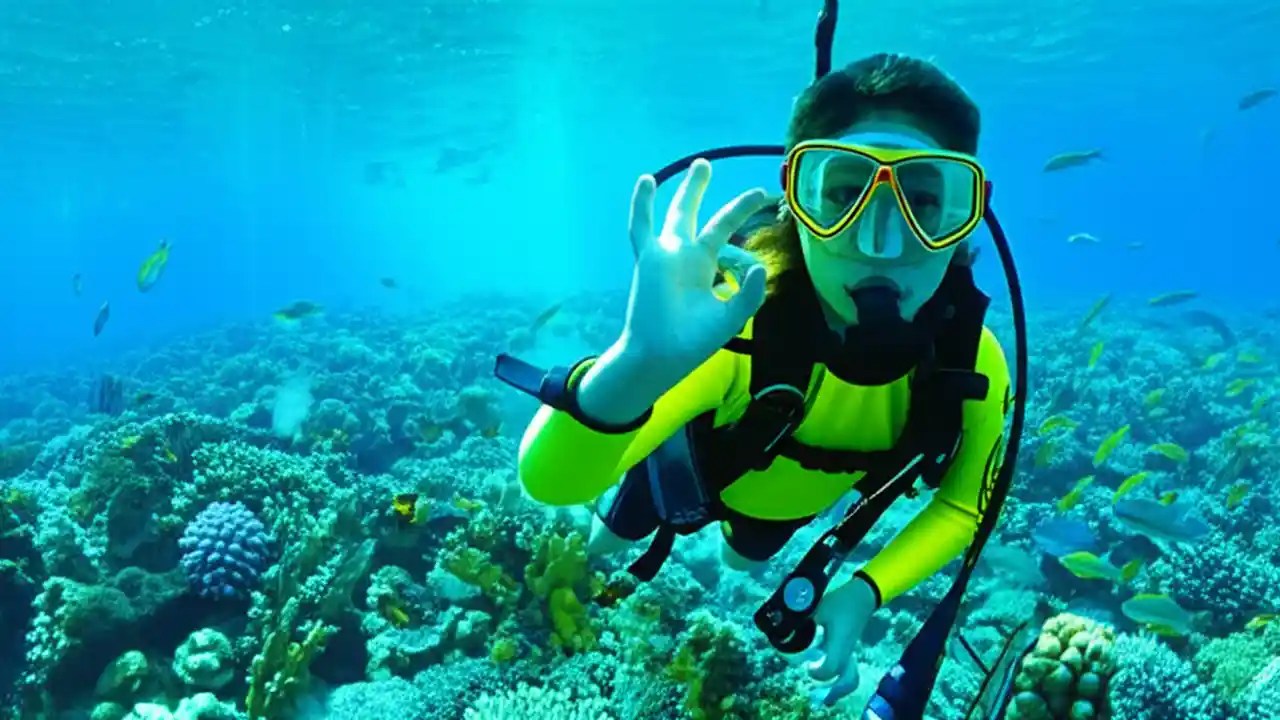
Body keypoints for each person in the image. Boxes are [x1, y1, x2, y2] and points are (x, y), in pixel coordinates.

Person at [498, 50, 1020, 712]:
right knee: (606, 538)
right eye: (843, 195)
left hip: (781, 508)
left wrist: (865, 592)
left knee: (742, 561)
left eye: (923, 201)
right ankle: (600, 553)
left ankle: (710, 546)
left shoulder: (971, 363)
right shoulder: (733, 320)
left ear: (967, 212)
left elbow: (963, 508)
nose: (883, 243)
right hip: (685, 466)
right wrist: (634, 367)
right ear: (797, 201)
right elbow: (551, 483)